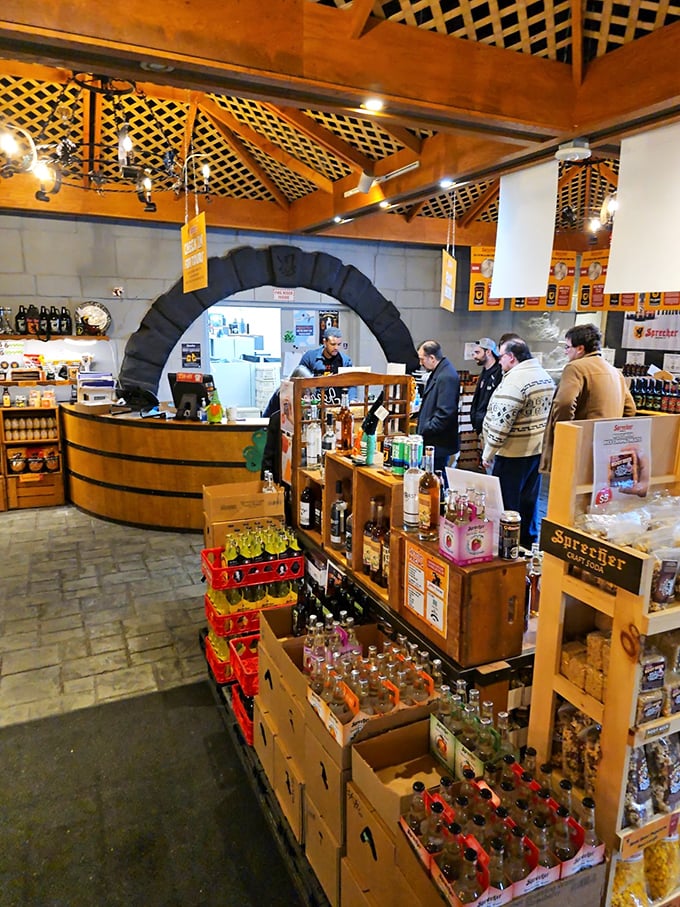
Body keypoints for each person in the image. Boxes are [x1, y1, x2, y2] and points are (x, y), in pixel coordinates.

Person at [482, 337, 555, 548]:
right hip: (535, 450)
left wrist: (488, 452)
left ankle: (507, 548)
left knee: (507, 505)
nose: (499, 361)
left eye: (501, 356)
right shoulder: (544, 376)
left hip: (511, 454)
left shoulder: (515, 381)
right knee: (529, 502)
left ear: (511, 357)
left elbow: (501, 423)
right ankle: (527, 544)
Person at [540, 322, 636, 473]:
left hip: (581, 445)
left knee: (569, 491)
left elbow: (564, 403)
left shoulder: (575, 368)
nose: (565, 352)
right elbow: (630, 408)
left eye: (567, 347)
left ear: (580, 349)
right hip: (607, 446)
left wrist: (565, 434)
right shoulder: (614, 371)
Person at [261, 364, 313, 485]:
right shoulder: (277, 419)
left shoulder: (312, 420)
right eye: (303, 394)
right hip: (282, 479)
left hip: (306, 477)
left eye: (308, 394)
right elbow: (267, 459)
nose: (306, 399)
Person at [416, 339, 460, 473]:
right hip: (433, 441)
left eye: (422, 359)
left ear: (432, 358)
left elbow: (445, 412)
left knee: (437, 481)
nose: (420, 363)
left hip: (439, 443)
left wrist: (426, 428)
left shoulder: (446, 376)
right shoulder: (439, 372)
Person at [469, 337, 503, 436]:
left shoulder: (498, 374)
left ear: (488, 352)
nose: (474, 356)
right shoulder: (484, 372)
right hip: (481, 426)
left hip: (491, 427)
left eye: (477, 352)